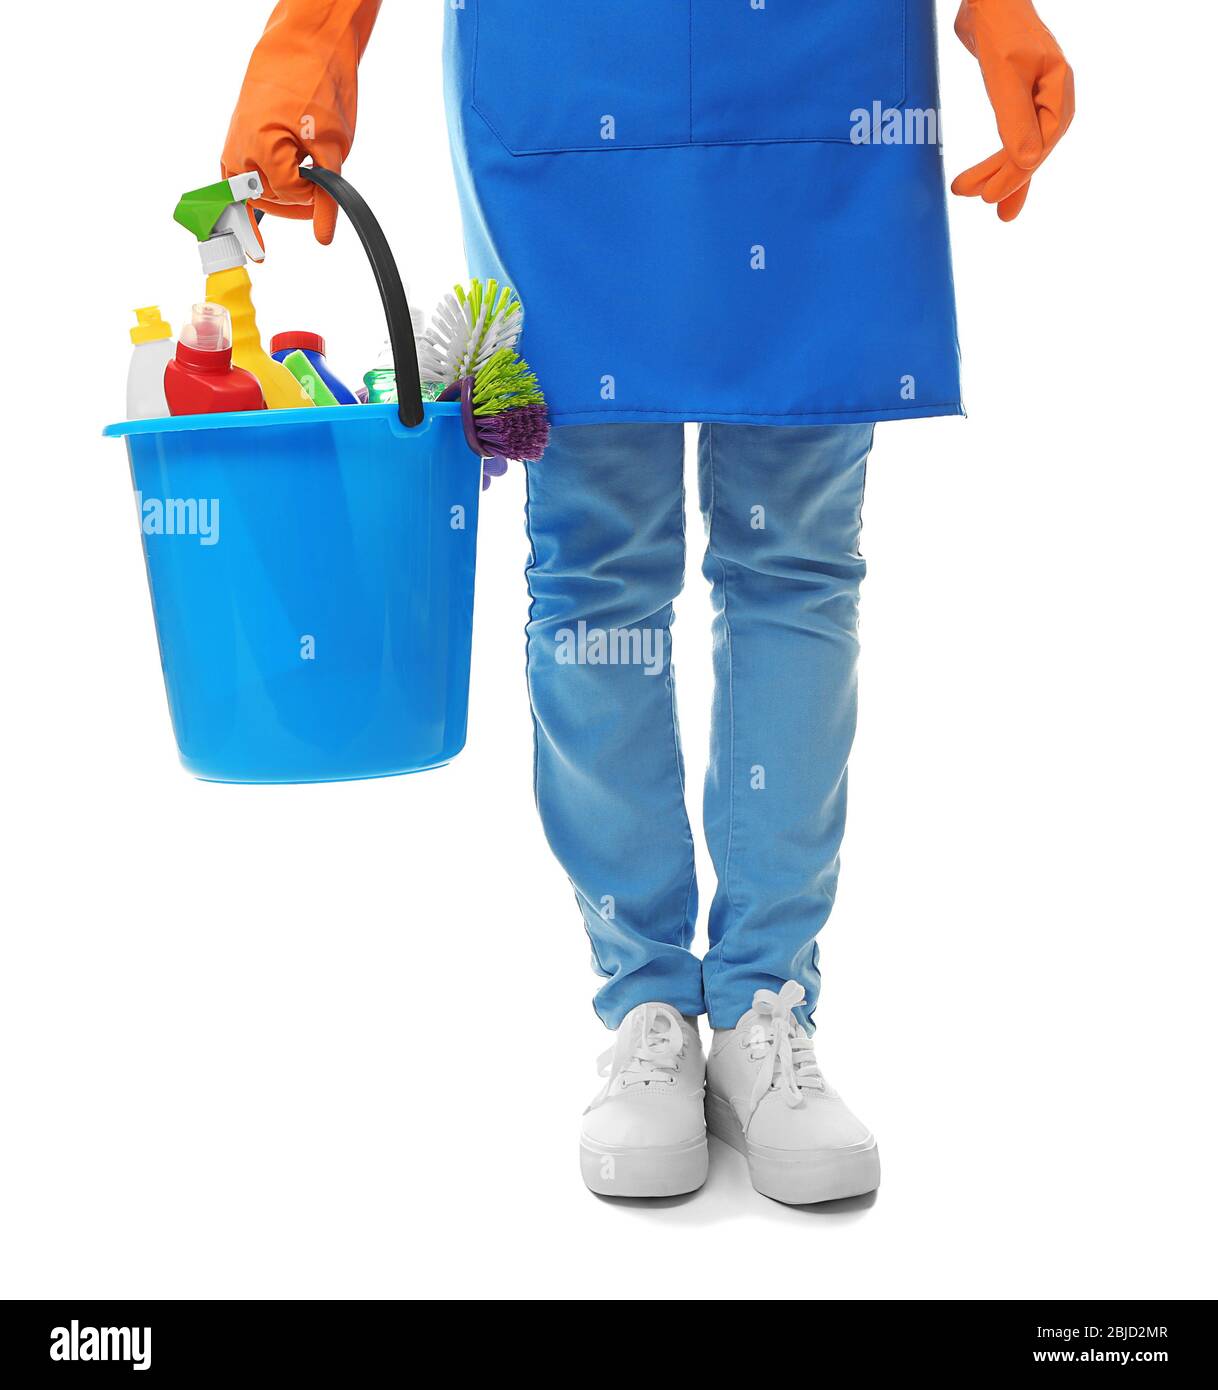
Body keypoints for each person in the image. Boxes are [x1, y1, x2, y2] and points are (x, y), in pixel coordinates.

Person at [223, 0, 1074, 1205]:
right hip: (571, 61)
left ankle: (767, 1004)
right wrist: (312, 41)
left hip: (815, 62)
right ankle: (648, 1009)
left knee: (797, 559)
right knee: (594, 565)